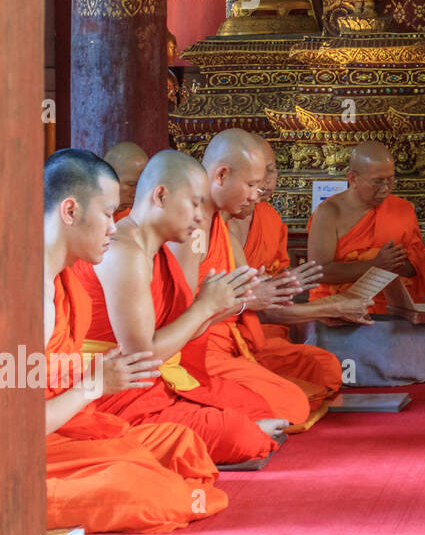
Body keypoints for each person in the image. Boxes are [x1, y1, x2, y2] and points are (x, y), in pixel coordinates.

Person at [43, 148, 228, 532]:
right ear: (70, 211)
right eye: (108, 213)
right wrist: (94, 384)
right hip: (23, 452)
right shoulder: (26, 294)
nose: (114, 226)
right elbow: (13, 425)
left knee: (183, 452)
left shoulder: (59, 279)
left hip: (65, 429)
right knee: (152, 494)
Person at [73, 150, 290, 464]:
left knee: (249, 417)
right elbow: (141, 357)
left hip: (149, 390)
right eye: (194, 204)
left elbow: (182, 329)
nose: (201, 217)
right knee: (240, 437)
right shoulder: (125, 252)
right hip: (112, 396)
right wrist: (205, 307)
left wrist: (222, 302)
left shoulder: (157, 253)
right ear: (160, 195)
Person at [171, 129, 365, 430]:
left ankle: (222, 409)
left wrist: (265, 293)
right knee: (288, 403)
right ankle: (198, 412)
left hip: (234, 346)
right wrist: (245, 301)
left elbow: (248, 296)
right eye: (250, 185)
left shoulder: (220, 226)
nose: (255, 195)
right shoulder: (189, 228)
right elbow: (179, 316)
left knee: (313, 379)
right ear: (221, 175)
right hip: (195, 352)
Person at [308, 141, 425, 385]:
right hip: (342, 310)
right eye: (377, 181)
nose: (386, 188)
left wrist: (392, 264)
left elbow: (416, 265)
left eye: (391, 180)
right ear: (352, 177)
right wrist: (375, 263)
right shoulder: (329, 213)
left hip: (394, 308)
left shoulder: (402, 210)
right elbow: (319, 272)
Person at [229, 135, 290, 275]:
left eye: (271, 169)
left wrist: (285, 281)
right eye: (258, 171)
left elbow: (277, 269)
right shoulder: (203, 225)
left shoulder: (270, 217)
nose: (266, 180)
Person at [103, 141, 148, 220]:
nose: (135, 194)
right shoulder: (86, 214)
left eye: (140, 185)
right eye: (131, 185)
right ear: (108, 178)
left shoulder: (133, 217)